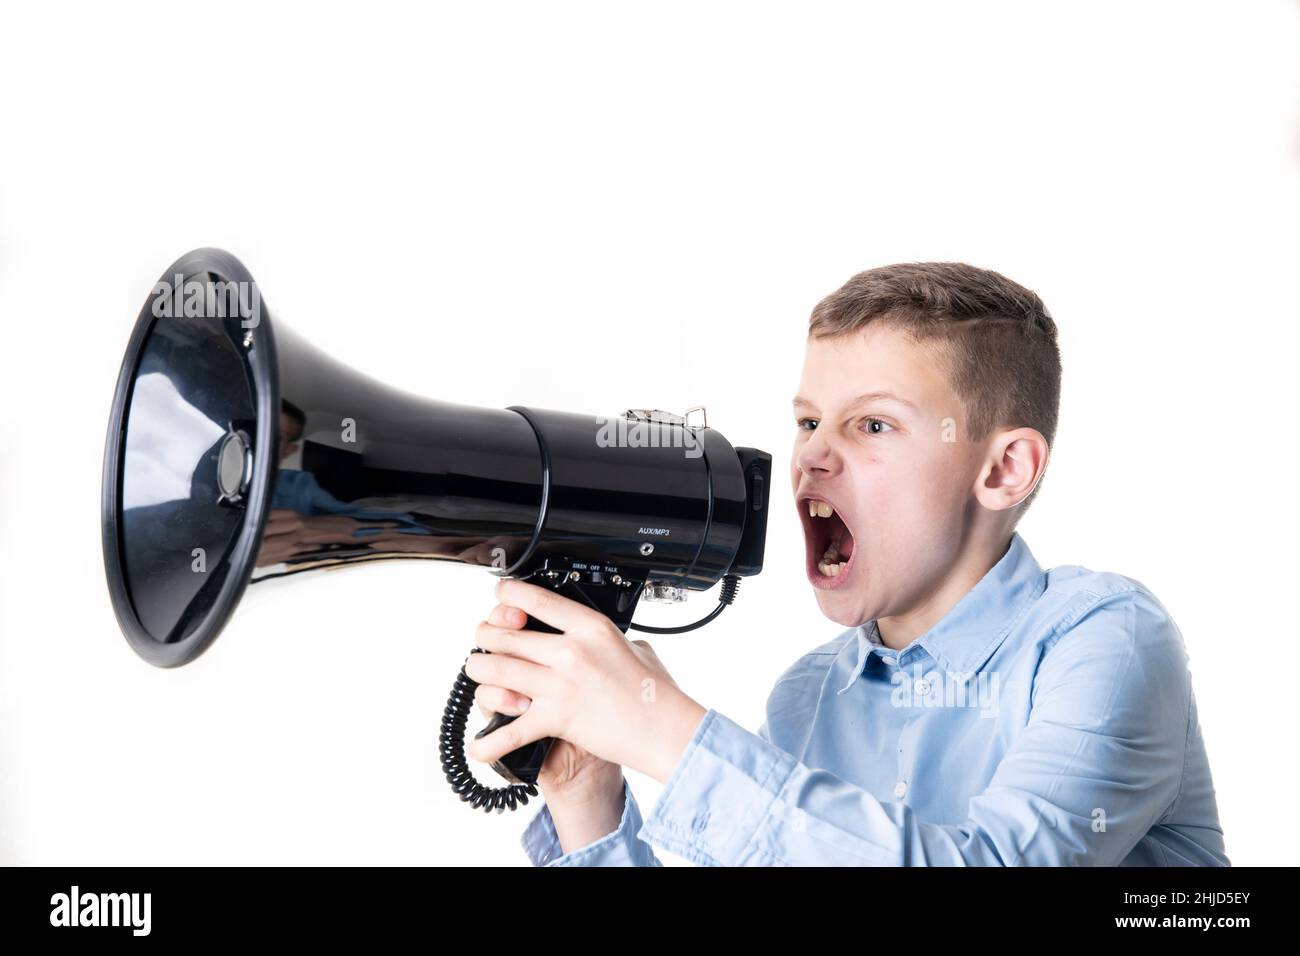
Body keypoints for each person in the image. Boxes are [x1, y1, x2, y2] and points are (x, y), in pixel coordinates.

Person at [465, 262, 1229, 866]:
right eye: (807, 420)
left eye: (872, 423)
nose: (812, 456)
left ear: (1002, 471)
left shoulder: (1105, 638)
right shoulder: (808, 698)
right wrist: (585, 791)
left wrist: (663, 729)